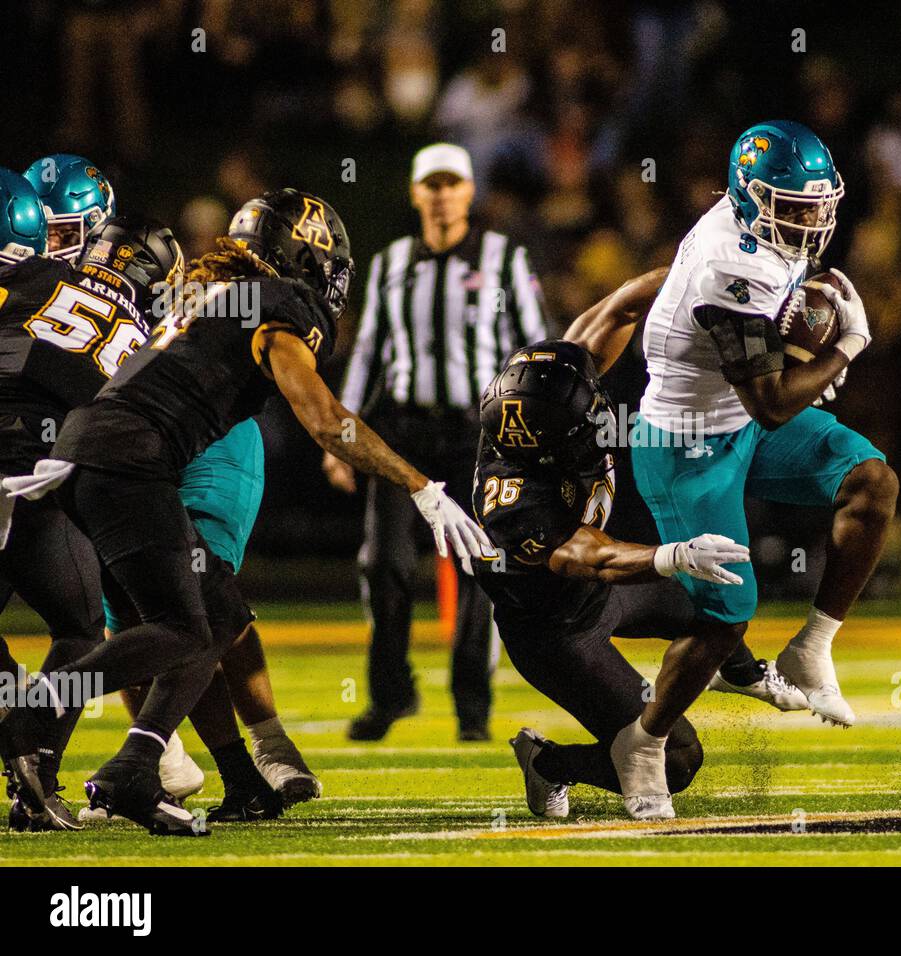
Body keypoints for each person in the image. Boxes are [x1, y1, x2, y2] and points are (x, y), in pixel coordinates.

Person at [0, 189, 491, 836]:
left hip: (87, 450)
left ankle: (177, 772)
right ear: (301, 256)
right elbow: (324, 419)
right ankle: (40, 720)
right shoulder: (283, 303)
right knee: (187, 628)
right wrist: (421, 487)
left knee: (215, 612)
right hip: (133, 459)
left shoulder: (205, 292)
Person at [593, 121, 899, 728]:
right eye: (792, 208)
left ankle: (811, 647)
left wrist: (790, 340)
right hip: (687, 443)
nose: (809, 223)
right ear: (750, 196)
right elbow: (773, 404)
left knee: (872, 482)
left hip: (739, 422)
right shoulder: (729, 263)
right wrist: (849, 345)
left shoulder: (758, 241)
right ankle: (639, 741)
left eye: (816, 207)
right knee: (728, 612)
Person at [326, 143, 548, 742]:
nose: (443, 195)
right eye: (433, 185)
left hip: (482, 437)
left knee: (483, 565)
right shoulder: (393, 261)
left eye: (453, 184)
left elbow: (537, 350)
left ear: (469, 192)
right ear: (417, 193)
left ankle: (471, 706)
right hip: (402, 432)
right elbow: (368, 350)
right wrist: (341, 435)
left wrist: (538, 435)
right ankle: (391, 693)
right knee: (385, 563)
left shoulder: (505, 259)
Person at [475, 339, 750, 820]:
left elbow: (614, 313)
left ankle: (746, 673)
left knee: (721, 607)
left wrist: (687, 274)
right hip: (557, 633)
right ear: (549, 442)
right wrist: (674, 555)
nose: (597, 419)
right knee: (679, 758)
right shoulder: (514, 498)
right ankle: (549, 763)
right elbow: (592, 557)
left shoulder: (549, 392)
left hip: (601, 595)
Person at [0, 211, 180, 830]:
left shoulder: (34, 277)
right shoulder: (143, 334)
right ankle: (36, 761)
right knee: (78, 631)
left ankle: (17, 735)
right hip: (40, 475)